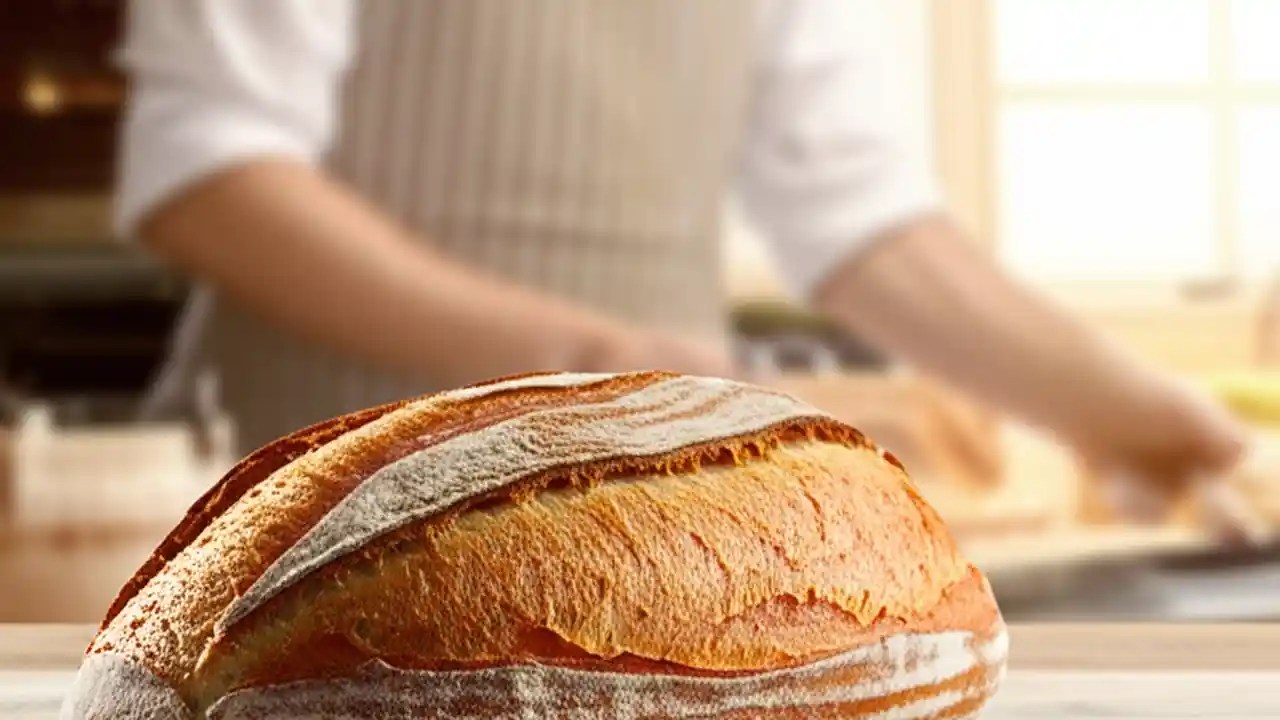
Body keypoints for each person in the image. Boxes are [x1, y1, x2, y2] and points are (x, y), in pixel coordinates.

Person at [117, 0, 1246, 522]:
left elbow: (865, 224)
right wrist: (601, 357)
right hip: (291, 504)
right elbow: (207, 179)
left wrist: (1147, 420)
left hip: (623, 510)